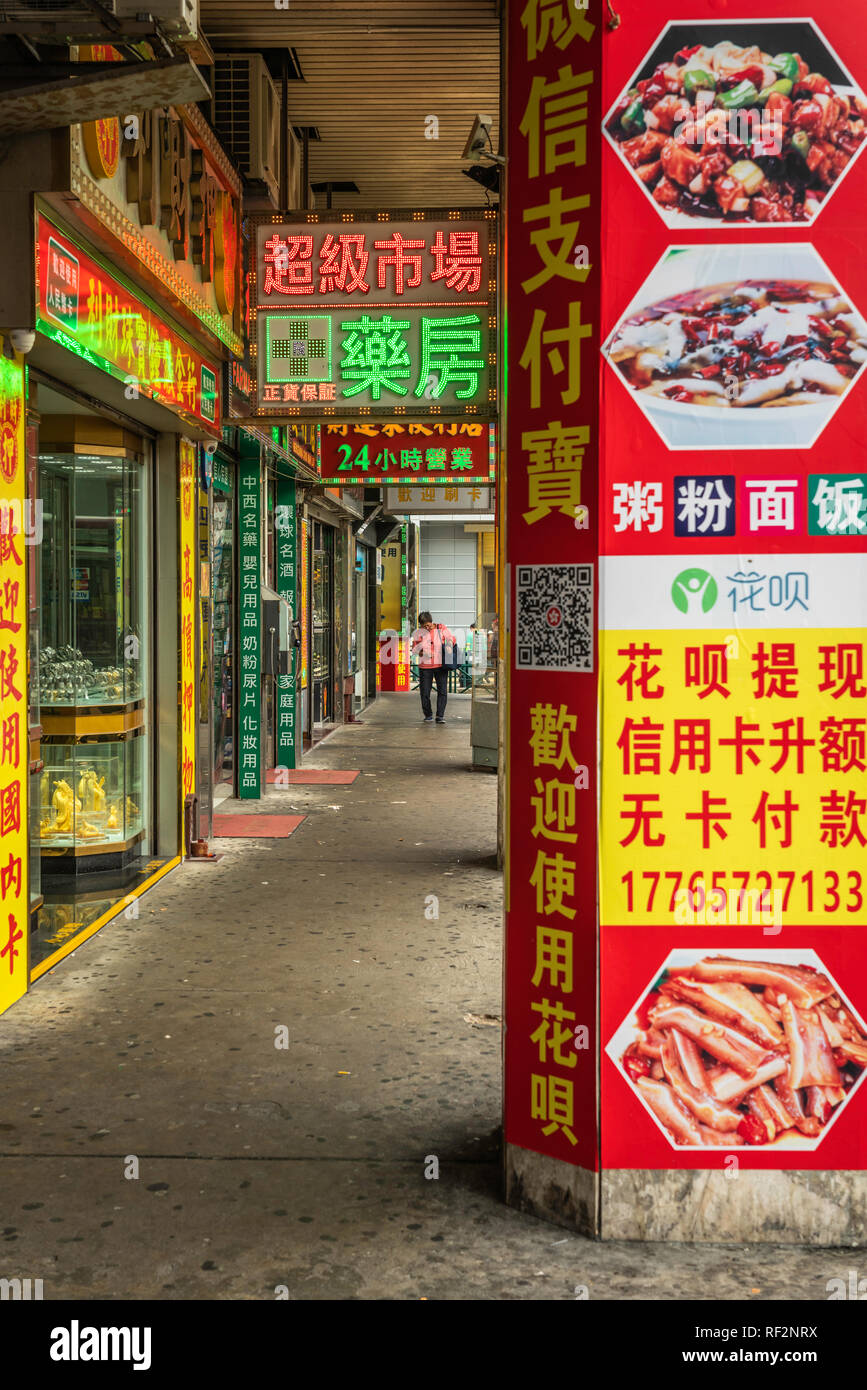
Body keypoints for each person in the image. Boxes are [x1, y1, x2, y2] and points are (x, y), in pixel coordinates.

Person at [411, 610, 457, 723]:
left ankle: (440, 716)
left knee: (442, 691)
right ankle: (428, 715)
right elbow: (415, 649)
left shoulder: (441, 628)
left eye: (428, 625)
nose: (426, 628)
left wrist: (449, 646)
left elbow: (452, 639)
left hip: (440, 665)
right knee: (425, 692)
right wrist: (423, 653)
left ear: (431, 622)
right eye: (423, 626)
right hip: (425, 667)